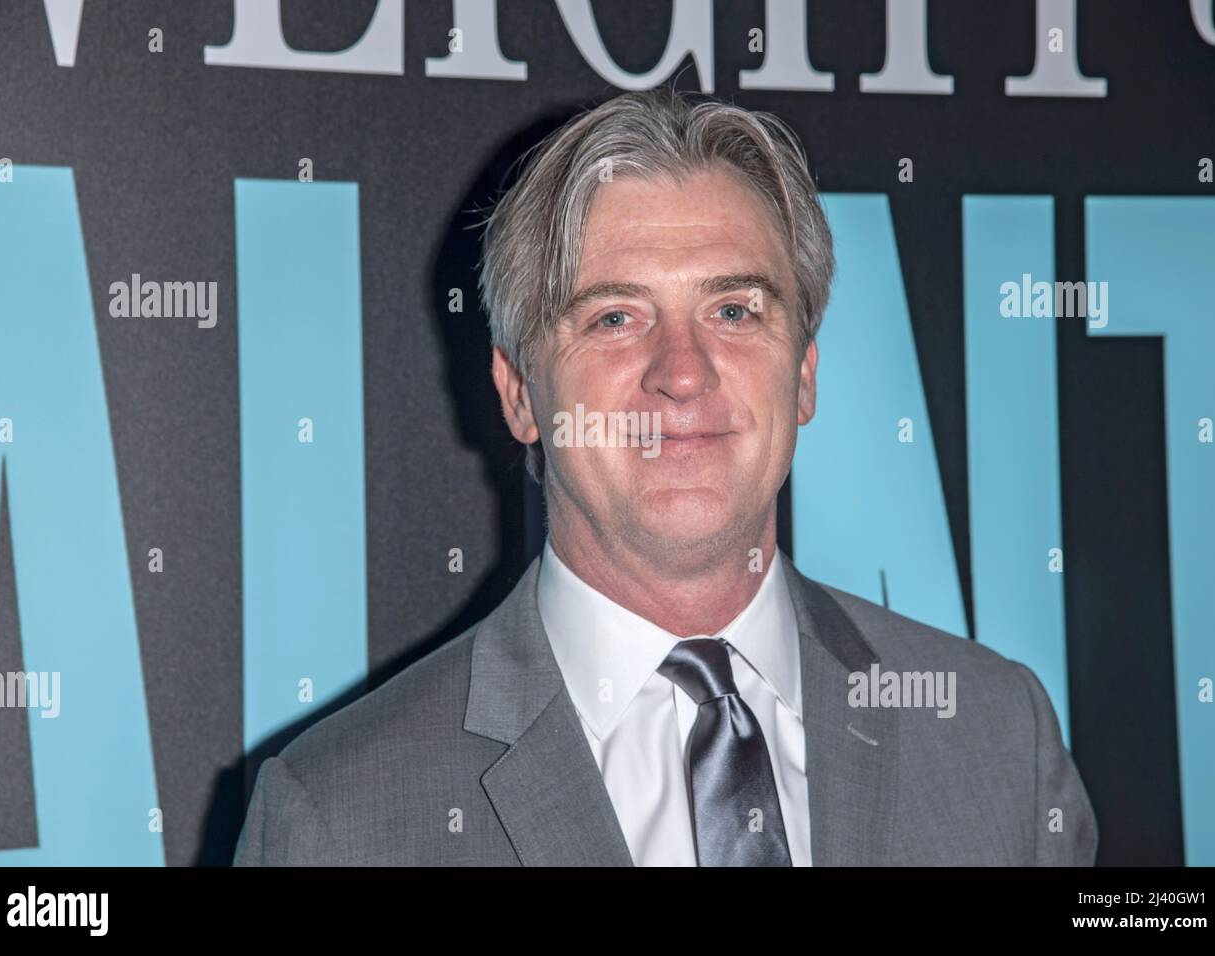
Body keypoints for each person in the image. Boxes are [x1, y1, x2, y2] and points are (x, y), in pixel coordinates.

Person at [234, 88, 1097, 866]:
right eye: (615, 317)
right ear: (519, 395)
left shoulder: (996, 739)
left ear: (803, 375)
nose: (683, 373)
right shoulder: (338, 821)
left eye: (733, 310)